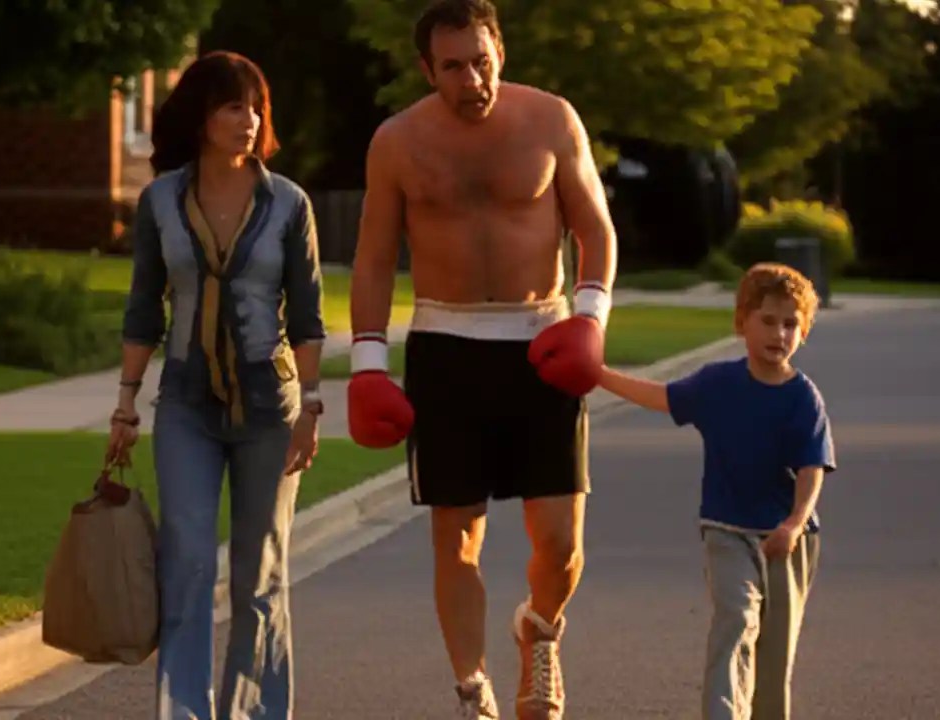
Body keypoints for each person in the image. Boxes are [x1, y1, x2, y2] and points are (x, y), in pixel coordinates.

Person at [345, 1, 617, 717]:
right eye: (454, 67)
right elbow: (373, 258)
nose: (472, 80)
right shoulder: (396, 142)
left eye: (482, 61)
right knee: (458, 537)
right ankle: (473, 689)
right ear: (426, 70)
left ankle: (540, 630)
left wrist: (590, 318)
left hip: (543, 343)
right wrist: (368, 364)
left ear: (501, 52)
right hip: (447, 345)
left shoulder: (552, 120)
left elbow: (596, 230)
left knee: (559, 542)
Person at [105, 50, 327, 720]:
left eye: (256, 108)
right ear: (201, 116)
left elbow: (308, 319)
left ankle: (255, 713)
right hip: (186, 406)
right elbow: (144, 309)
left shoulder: (288, 203)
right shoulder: (160, 202)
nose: (249, 120)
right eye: (234, 106)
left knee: (260, 575)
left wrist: (311, 406)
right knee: (188, 565)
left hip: (270, 409)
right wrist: (125, 404)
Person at [597, 263, 836, 720]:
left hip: (787, 538)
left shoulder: (803, 398)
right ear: (742, 321)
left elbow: (812, 468)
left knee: (774, 653)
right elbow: (662, 397)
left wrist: (793, 523)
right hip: (726, 529)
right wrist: (599, 375)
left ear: (803, 332)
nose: (779, 333)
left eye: (791, 324)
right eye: (768, 320)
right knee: (736, 620)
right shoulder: (717, 384)